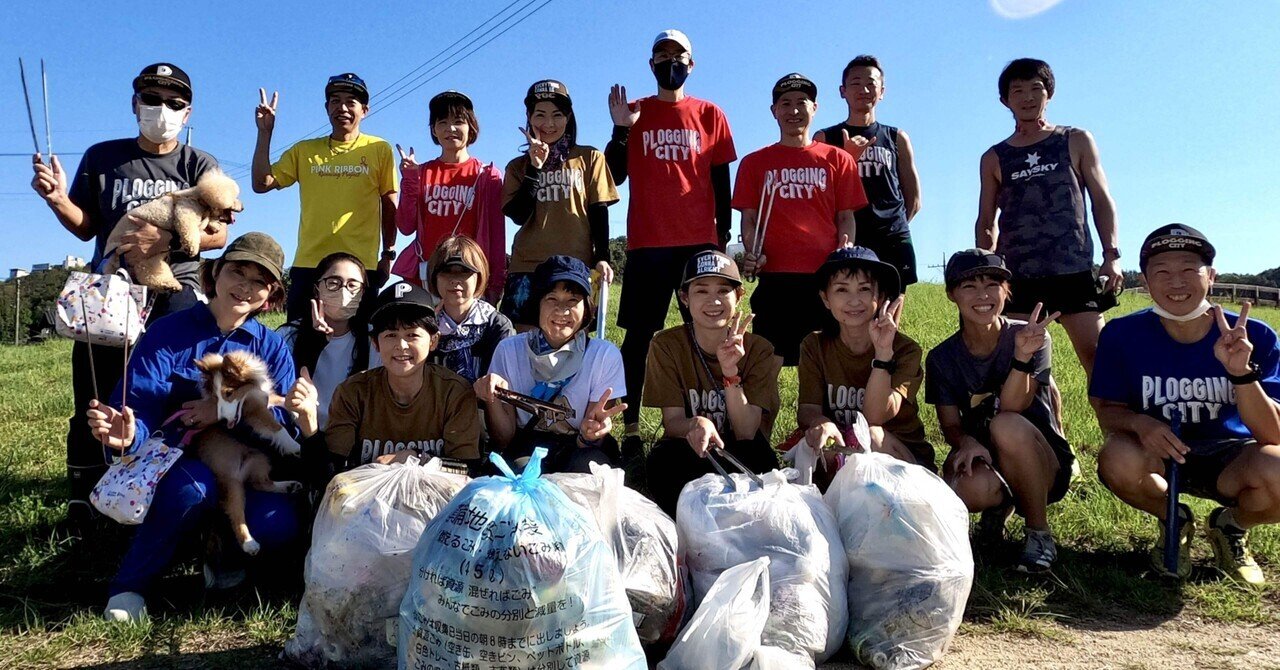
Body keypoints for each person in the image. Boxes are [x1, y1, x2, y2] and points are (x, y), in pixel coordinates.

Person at [29, 62, 226, 526]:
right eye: (153, 100)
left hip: (177, 287)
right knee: (96, 391)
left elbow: (217, 233)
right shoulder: (102, 157)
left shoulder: (199, 164)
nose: (163, 110)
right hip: (110, 292)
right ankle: (85, 490)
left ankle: (163, 478)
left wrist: (168, 242)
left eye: (175, 103)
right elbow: (86, 228)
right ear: (135, 104)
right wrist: (58, 199)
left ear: (189, 111)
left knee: (172, 388)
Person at [85, 233, 301, 622]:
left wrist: (220, 410)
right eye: (237, 272)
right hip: (178, 460)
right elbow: (140, 401)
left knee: (279, 523)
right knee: (193, 488)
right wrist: (128, 433)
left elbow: (282, 419)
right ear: (214, 273)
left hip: (242, 464)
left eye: (259, 282)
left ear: (271, 294)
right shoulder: (168, 332)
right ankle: (130, 586)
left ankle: (220, 549)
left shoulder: (272, 347)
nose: (245, 288)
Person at [1092, 225, 1280, 585]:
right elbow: (1108, 409)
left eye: (1188, 270)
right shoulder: (1121, 334)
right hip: (1157, 452)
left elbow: (1272, 434)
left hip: (1233, 455)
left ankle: (1231, 527)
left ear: (1211, 276)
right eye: (1161, 272)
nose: (1175, 282)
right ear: (1145, 282)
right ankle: (1174, 520)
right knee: (1117, 457)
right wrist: (1141, 424)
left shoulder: (1256, 335)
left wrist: (1241, 374)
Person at [605, 29, 737, 457]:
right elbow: (614, 174)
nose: (670, 61)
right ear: (651, 64)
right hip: (648, 243)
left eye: (677, 55)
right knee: (640, 337)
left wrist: (724, 233)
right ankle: (629, 427)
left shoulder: (710, 114)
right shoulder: (637, 111)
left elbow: (721, 179)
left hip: (698, 243)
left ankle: (716, 416)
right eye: (661, 55)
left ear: (691, 64)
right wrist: (621, 130)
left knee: (707, 331)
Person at [925, 249, 1075, 574]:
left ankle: (1039, 534)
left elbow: (1013, 407)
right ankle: (1000, 504)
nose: (983, 295)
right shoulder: (942, 358)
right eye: (969, 286)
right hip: (986, 459)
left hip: (1042, 459)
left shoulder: (1032, 336)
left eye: (992, 284)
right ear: (952, 294)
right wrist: (965, 441)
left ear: (1006, 291)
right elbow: (949, 423)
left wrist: (1021, 356)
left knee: (1005, 425)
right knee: (965, 490)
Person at [975, 58, 1120, 379]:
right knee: (1024, 368)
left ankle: (1118, 429)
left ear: (1049, 94)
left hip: (1074, 271)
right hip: (1018, 276)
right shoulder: (994, 157)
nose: (1028, 97)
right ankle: (1041, 429)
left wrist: (1112, 255)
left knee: (1100, 363)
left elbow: (1101, 199)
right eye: (1018, 91)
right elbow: (986, 220)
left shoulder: (1076, 139)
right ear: (1005, 100)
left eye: (1036, 89)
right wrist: (985, 273)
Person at [736, 73, 866, 365]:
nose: (794, 111)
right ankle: (761, 412)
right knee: (767, 363)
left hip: (824, 278)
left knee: (828, 362)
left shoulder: (838, 160)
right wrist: (753, 249)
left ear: (815, 108)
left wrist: (845, 250)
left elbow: (846, 216)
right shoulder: (755, 163)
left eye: (801, 103)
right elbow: (749, 218)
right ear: (774, 111)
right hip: (776, 278)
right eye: (785, 103)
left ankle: (822, 413)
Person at [289, 281, 482, 472]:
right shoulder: (353, 392)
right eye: (390, 335)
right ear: (375, 343)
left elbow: (468, 468)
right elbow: (331, 471)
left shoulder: (454, 392)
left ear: (433, 341)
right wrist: (309, 423)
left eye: (412, 335)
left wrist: (418, 459)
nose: (401, 345)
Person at [643, 250, 781, 516]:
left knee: (761, 460)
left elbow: (746, 431)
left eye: (723, 291)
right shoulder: (667, 345)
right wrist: (696, 423)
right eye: (701, 291)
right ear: (684, 298)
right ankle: (687, 527)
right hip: (692, 448)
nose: (713, 301)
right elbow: (672, 423)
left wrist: (730, 372)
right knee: (663, 462)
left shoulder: (760, 349)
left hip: (740, 450)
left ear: (738, 297)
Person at [252, 73, 399, 321]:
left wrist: (388, 255)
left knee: (360, 347)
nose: (342, 108)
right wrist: (265, 133)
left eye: (351, 102)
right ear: (326, 107)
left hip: (361, 265)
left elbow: (389, 203)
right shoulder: (304, 151)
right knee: (302, 346)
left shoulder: (379, 149)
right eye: (335, 101)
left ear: (364, 110)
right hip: (310, 265)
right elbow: (262, 183)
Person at [474, 256, 627, 474]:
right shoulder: (508, 350)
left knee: (588, 469)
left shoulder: (604, 355)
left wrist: (590, 433)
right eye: (551, 299)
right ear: (536, 304)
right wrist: (492, 399)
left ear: (587, 308)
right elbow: (503, 439)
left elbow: (592, 440)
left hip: (580, 447)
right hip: (526, 448)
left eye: (573, 300)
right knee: (518, 474)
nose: (562, 311)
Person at [796, 245, 932, 480]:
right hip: (843, 447)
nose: (854, 300)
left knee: (872, 435)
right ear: (826, 298)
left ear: (879, 298)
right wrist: (822, 423)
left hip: (897, 455)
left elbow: (875, 416)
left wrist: (882, 354)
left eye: (865, 289)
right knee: (822, 441)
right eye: (841, 290)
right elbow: (808, 409)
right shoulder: (815, 345)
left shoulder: (905, 350)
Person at [501, 79, 618, 327]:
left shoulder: (590, 157)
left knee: (569, 342)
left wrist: (602, 257)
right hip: (527, 267)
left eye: (557, 115)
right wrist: (535, 168)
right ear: (529, 118)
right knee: (521, 343)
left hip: (574, 266)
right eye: (540, 115)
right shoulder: (517, 167)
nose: (549, 124)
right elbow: (518, 215)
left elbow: (599, 210)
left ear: (568, 117)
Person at [815, 55, 922, 289]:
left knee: (890, 314)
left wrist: (896, 226)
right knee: (847, 310)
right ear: (842, 91)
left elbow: (913, 198)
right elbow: (819, 195)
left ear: (882, 91)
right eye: (855, 83)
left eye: (871, 83)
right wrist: (847, 159)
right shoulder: (825, 138)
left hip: (892, 237)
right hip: (846, 237)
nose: (863, 89)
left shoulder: (897, 137)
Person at [392, 91, 505, 303]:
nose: (450, 128)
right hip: (427, 277)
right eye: (442, 122)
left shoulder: (487, 175)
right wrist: (409, 179)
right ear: (433, 129)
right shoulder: (420, 173)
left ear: (471, 127)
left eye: (458, 121)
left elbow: (497, 236)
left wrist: (496, 284)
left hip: (469, 278)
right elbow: (406, 226)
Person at [276, 252, 379, 429]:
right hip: (297, 434)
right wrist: (315, 344)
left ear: (362, 293)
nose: (343, 291)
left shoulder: (373, 339)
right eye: (333, 283)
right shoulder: (288, 335)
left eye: (352, 285)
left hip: (352, 437)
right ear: (317, 289)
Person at [425, 235, 515, 383]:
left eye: (464, 271)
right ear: (434, 277)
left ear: (479, 277)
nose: (454, 280)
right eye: (446, 271)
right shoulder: (424, 327)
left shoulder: (498, 326)